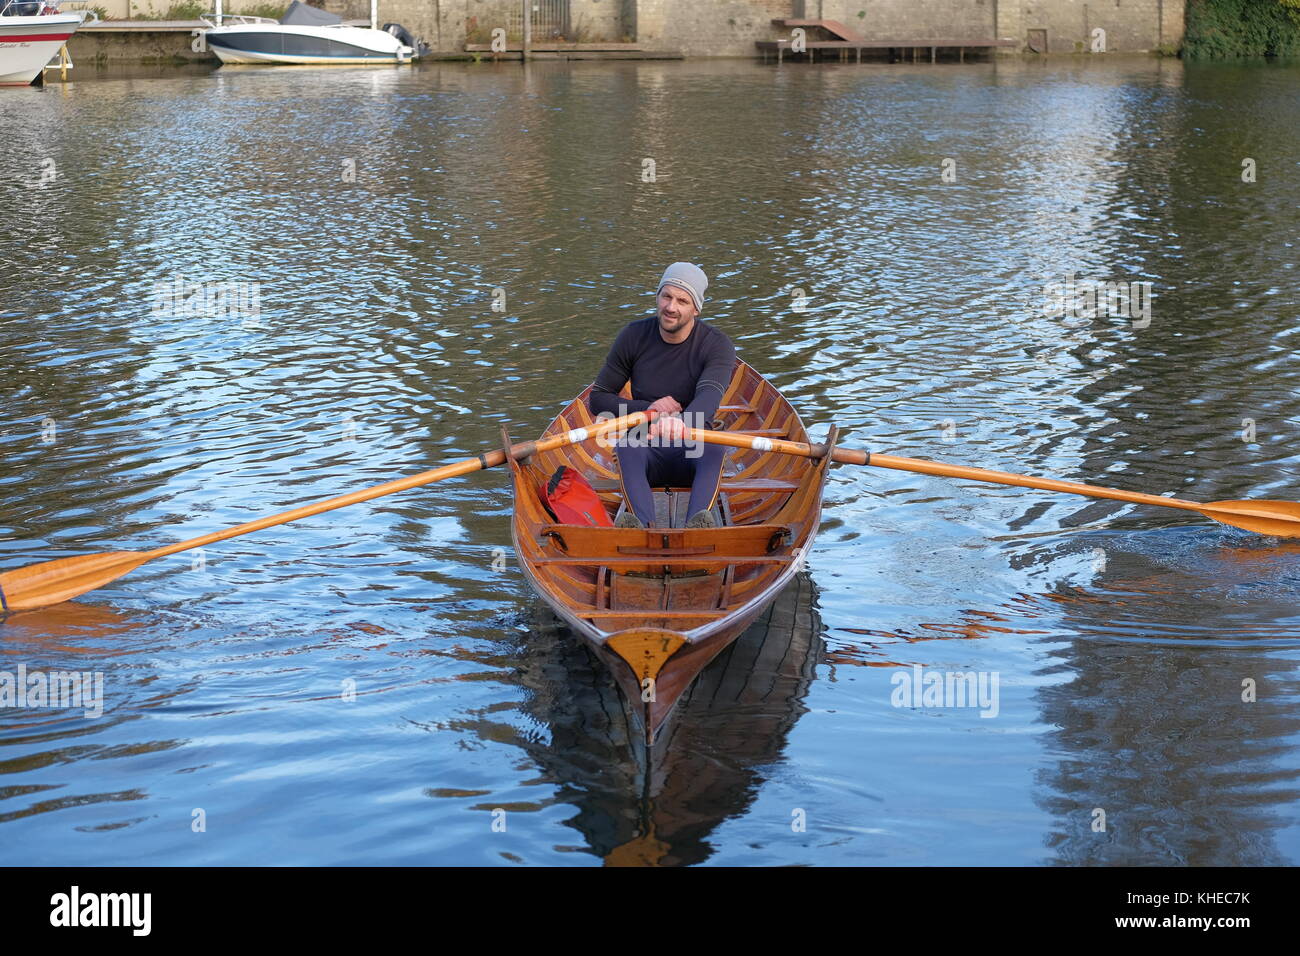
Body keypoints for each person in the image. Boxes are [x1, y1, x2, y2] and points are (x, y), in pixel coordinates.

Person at [588, 262, 736, 529]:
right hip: (645, 446)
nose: (671, 307)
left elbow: (709, 395)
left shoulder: (717, 345)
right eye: (666, 296)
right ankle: (642, 527)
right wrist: (650, 410)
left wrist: (681, 423)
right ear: (657, 297)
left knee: (715, 446)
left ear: (696, 309)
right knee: (626, 445)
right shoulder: (633, 336)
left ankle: (698, 525)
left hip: (694, 447)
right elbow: (598, 398)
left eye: (682, 300)